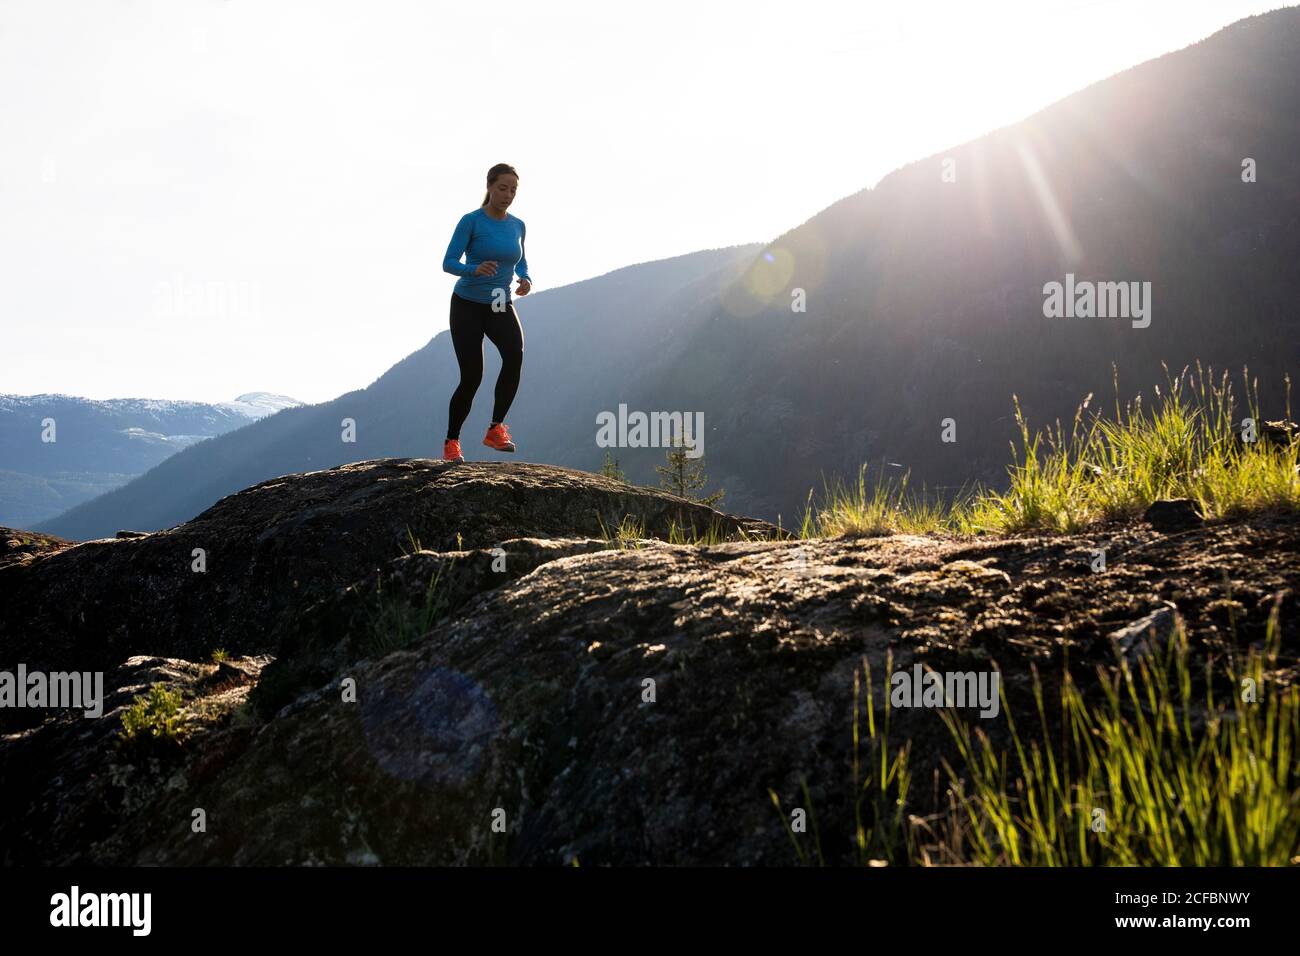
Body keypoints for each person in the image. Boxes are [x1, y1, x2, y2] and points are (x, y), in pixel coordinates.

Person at [440, 162, 533, 463]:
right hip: (467, 304)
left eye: (513, 190)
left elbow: (520, 259)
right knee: (472, 376)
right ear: (489, 187)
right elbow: (449, 262)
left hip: (498, 302)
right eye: (502, 188)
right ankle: (452, 442)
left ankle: (496, 429)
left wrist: (526, 278)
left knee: (515, 354)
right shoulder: (471, 221)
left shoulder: (517, 225)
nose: (507, 195)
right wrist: (474, 269)